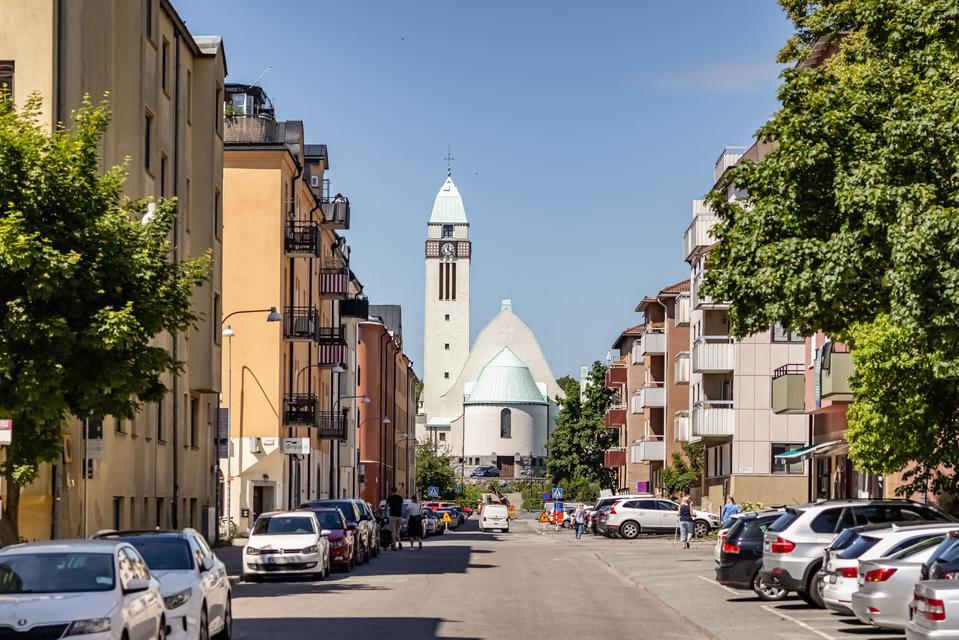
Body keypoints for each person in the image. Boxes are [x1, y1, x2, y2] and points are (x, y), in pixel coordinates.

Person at [386, 487, 404, 551]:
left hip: (392, 516)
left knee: (393, 531)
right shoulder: (400, 498)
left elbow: (386, 506)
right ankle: (400, 543)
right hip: (399, 516)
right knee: (397, 531)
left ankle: (394, 546)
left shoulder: (389, 498)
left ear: (391, 491)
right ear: (396, 491)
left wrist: (386, 512)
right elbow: (401, 506)